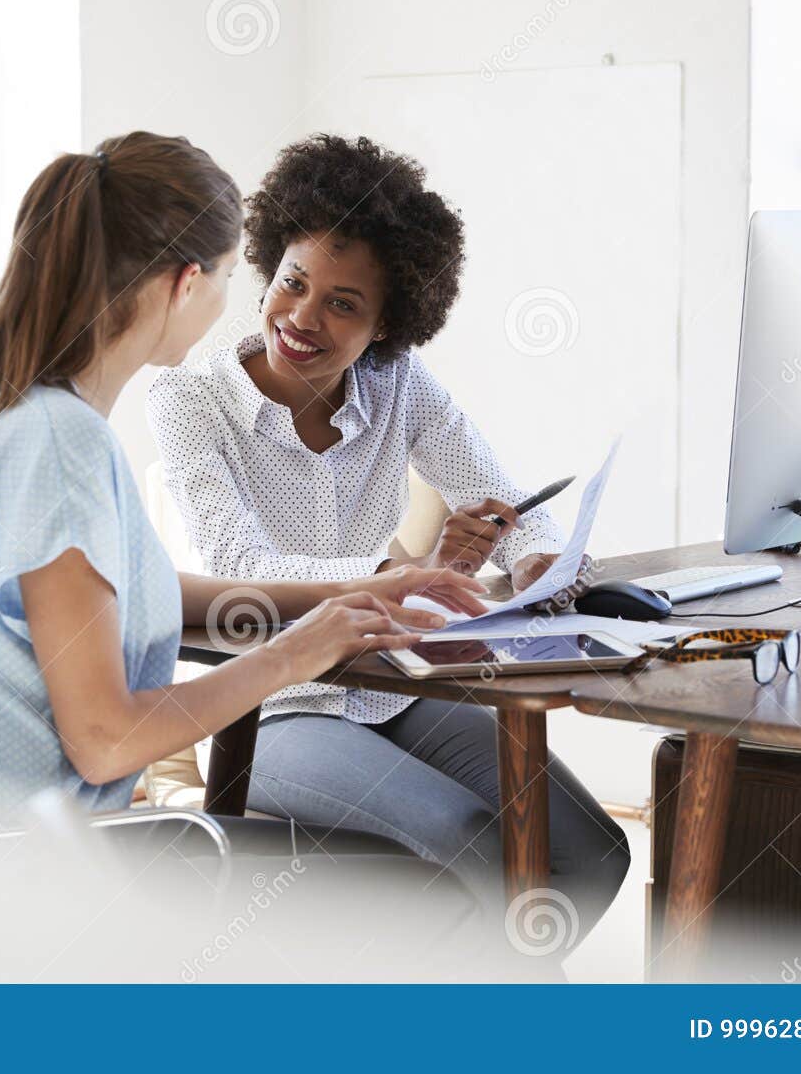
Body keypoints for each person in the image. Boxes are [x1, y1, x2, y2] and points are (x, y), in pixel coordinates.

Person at [0, 131, 486, 838]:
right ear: (187, 282)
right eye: (228, 275)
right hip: (30, 880)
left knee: (477, 854)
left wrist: (356, 590)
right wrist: (291, 654)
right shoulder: (61, 447)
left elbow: (128, 591)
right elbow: (104, 741)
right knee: (451, 865)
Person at [148, 134, 630, 925]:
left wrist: (538, 552)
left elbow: (507, 498)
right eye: (295, 283)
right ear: (270, 269)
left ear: (387, 326)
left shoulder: (397, 383)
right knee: (476, 842)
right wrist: (391, 576)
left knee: (593, 850)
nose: (302, 317)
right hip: (271, 704)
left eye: (343, 303)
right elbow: (240, 561)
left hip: (388, 690)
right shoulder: (189, 400)